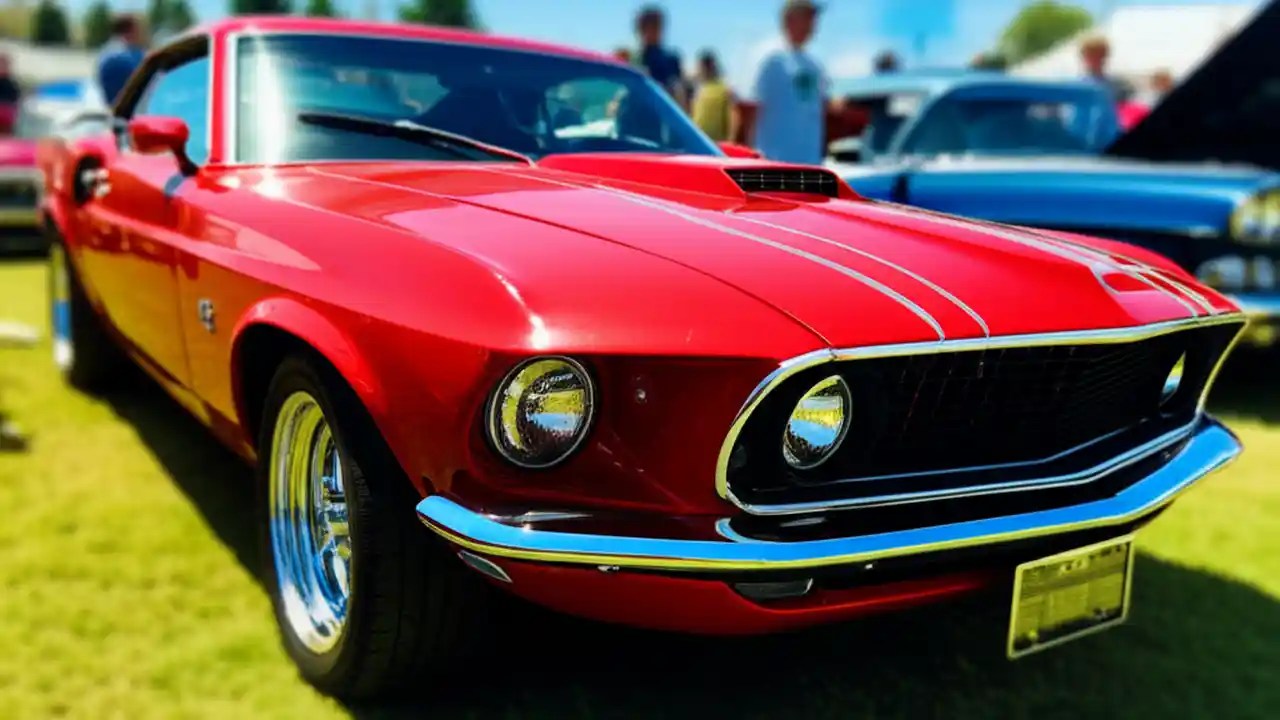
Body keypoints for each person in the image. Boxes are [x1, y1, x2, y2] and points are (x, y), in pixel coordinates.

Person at [744, 0, 830, 164]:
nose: (812, 23)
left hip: (810, 167)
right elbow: (749, 111)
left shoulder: (815, 66)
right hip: (774, 167)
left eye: (813, 18)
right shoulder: (770, 59)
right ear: (788, 19)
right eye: (806, 17)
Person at [633, 5, 687, 110]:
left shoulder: (671, 60)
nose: (651, 31)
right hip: (633, 118)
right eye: (646, 27)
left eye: (656, 26)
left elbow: (679, 96)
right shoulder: (633, 61)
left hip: (660, 118)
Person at [97, 14, 147, 106]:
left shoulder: (107, 52)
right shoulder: (123, 57)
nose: (142, 35)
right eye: (139, 31)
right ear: (131, 32)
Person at [691, 50, 734, 142]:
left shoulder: (723, 89)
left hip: (716, 145)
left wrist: (730, 141)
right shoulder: (698, 89)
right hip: (698, 142)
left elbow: (731, 120)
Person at [1079, 34, 1129, 103]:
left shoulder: (1119, 86)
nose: (1096, 59)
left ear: (1106, 56)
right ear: (1084, 56)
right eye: (1092, 55)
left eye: (1100, 55)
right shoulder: (1076, 86)